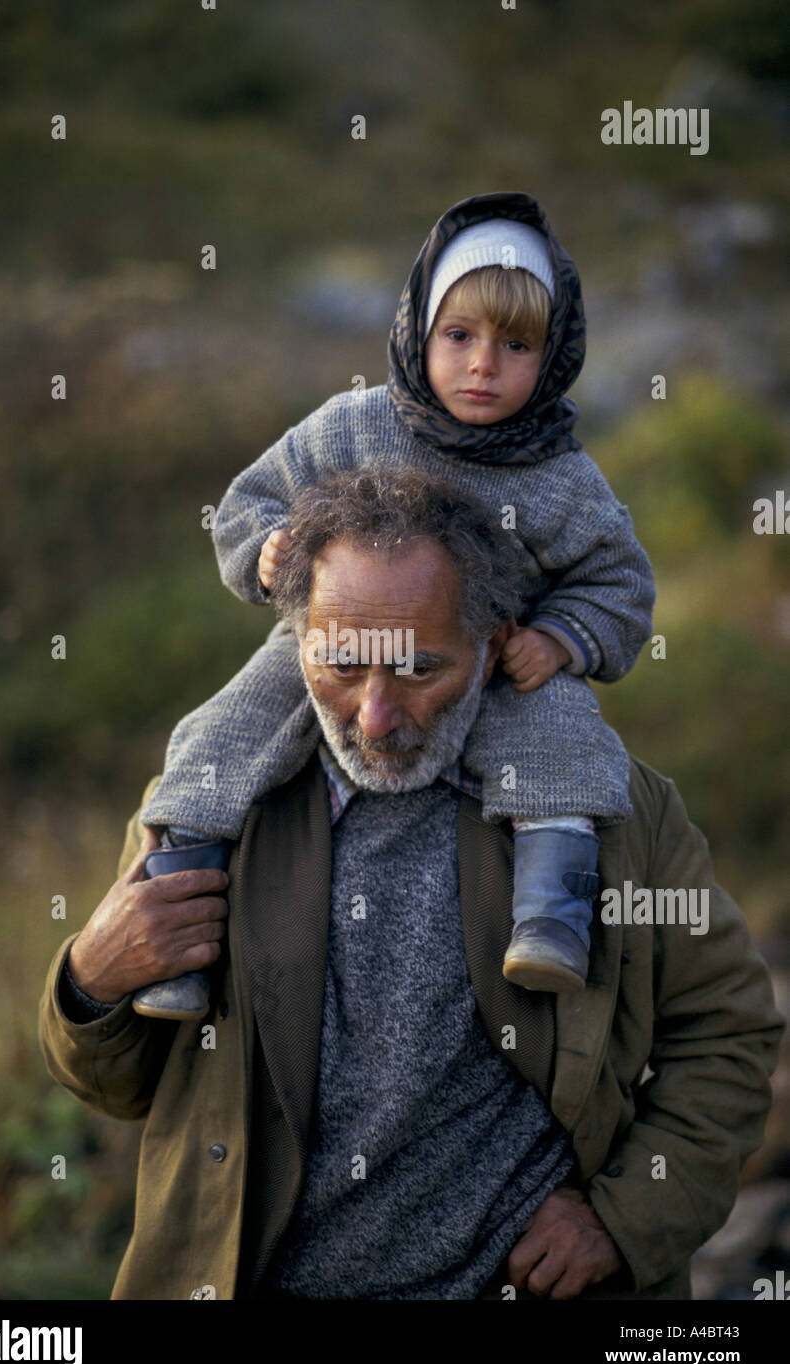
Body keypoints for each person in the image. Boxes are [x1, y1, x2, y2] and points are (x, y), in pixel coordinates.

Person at [38, 468, 783, 1302]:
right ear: (298, 638)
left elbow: (724, 1035)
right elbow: (115, 1086)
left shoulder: (614, 816)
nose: (375, 716)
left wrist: (624, 1217)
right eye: (342, 665)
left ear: (497, 643)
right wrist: (90, 981)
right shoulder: (208, 815)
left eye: (420, 669)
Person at [138, 190, 656, 1007]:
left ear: (553, 356)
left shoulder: (558, 476)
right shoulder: (354, 426)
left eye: (514, 344)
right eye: (458, 336)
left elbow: (621, 582)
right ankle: (178, 932)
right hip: (332, 644)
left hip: (487, 656)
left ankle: (549, 920)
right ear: (419, 332)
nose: (482, 364)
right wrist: (267, 548)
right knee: (223, 734)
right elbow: (250, 500)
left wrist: (560, 639)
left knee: (562, 742)